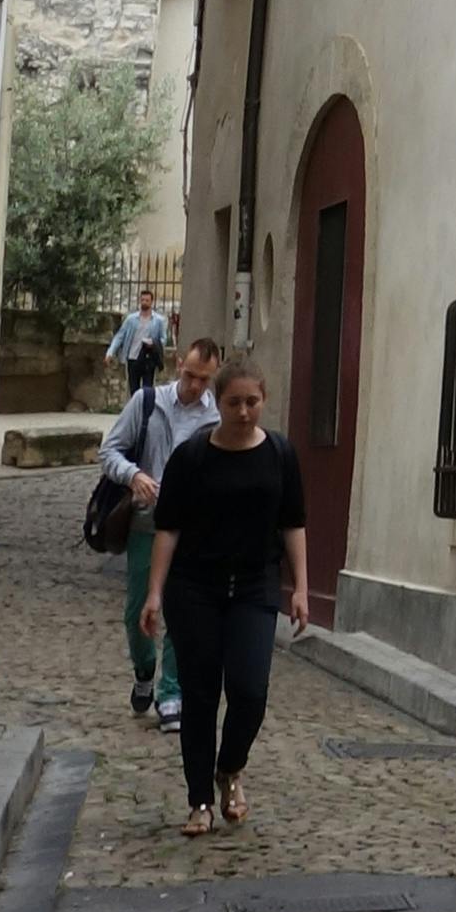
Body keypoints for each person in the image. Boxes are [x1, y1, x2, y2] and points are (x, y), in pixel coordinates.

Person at [143, 355, 308, 839]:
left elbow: (293, 523)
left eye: (251, 402)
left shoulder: (280, 454)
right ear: (218, 401)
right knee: (199, 695)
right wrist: (154, 593)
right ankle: (199, 800)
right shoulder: (192, 458)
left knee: (250, 690)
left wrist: (300, 587)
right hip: (195, 587)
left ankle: (230, 768)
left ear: (264, 401)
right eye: (233, 402)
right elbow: (167, 529)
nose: (243, 412)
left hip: (255, 587)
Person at [100, 330, 218, 725]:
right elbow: (109, 450)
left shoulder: (214, 418)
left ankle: (172, 691)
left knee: (181, 611)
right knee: (139, 609)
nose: (196, 385)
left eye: (205, 379)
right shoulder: (147, 402)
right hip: (146, 523)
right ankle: (144, 669)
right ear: (179, 363)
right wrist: (134, 475)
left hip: (189, 528)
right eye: (191, 375)